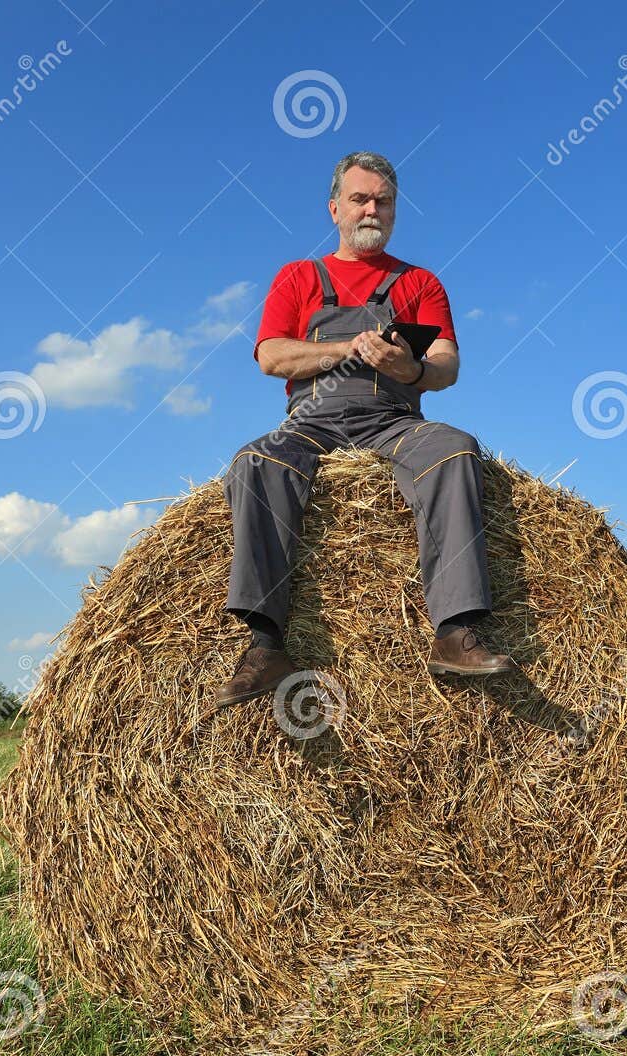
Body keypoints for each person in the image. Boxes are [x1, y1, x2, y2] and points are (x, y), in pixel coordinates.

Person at [216, 150, 517, 709]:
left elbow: (448, 364)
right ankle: (264, 647)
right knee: (257, 462)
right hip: (314, 418)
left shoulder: (420, 283)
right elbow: (271, 356)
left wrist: (413, 370)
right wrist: (344, 349)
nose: (371, 209)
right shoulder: (299, 277)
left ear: (396, 210)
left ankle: (455, 632)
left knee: (454, 452)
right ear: (335, 208)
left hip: (394, 419)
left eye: (383, 200)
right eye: (359, 199)